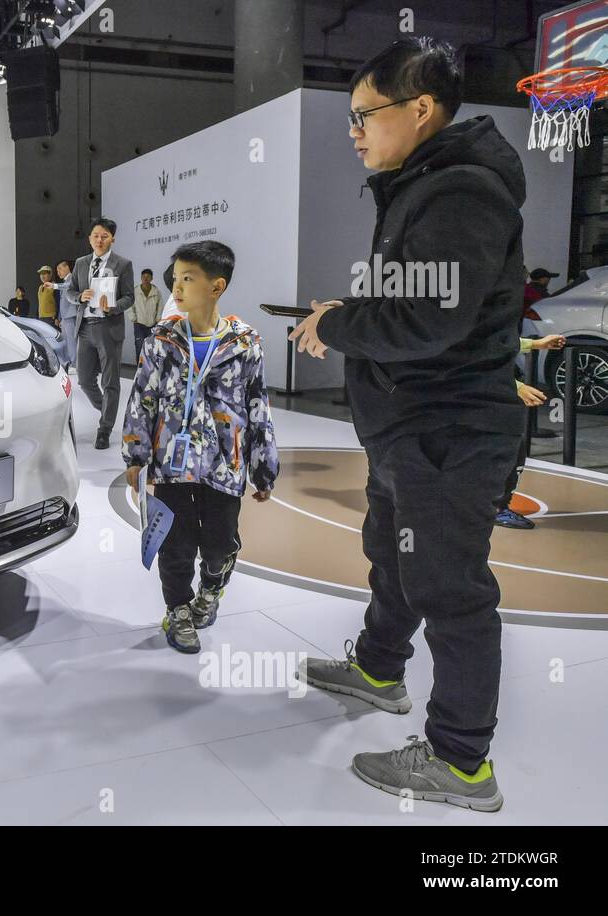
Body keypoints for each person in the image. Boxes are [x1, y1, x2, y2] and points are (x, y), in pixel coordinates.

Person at [289, 37, 525, 812]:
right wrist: (348, 318)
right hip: (409, 431)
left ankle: (462, 764)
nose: (354, 131)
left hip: (447, 435)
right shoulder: (419, 183)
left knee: (450, 589)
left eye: (365, 114)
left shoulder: (461, 190)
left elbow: (430, 318)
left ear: (420, 108)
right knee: (392, 558)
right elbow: (416, 305)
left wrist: (342, 323)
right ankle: (379, 669)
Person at [122, 241, 278, 654]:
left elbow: (258, 404)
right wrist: (136, 452)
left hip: (225, 464)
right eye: (175, 279)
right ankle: (178, 609)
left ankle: (211, 590)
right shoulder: (161, 340)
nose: (177, 288)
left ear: (217, 286)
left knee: (220, 543)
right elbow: (143, 397)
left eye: (187, 279)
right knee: (175, 544)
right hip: (172, 462)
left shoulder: (245, 343)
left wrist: (264, 467)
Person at [65, 217, 135, 449]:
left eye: (104, 236)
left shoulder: (123, 264)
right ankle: (107, 408)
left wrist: (113, 305)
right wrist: (79, 297)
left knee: (110, 381)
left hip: (108, 327)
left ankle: (104, 429)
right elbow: (70, 292)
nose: (99, 240)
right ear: (89, 238)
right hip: (85, 327)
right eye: (96, 235)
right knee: (84, 380)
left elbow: (129, 297)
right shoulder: (81, 263)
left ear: (112, 239)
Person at [495, 333, 565, 529]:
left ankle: (496, 506)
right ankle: (495, 508)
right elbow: (474, 352)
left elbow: (497, 342)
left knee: (514, 450)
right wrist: (515, 386)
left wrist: (536, 344)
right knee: (503, 453)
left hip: (496, 397)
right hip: (483, 399)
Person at [53, 259, 79, 370]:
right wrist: (59, 317)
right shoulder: (64, 282)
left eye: (60, 268)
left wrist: (54, 286)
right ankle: (69, 362)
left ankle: (74, 364)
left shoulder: (72, 279)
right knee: (67, 342)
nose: (58, 272)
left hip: (71, 316)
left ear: (67, 267)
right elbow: (62, 302)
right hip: (65, 317)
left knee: (72, 342)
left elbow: (69, 286)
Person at [132, 267, 162, 362]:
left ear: (151, 278)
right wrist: (133, 318)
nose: (145, 278)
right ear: (141, 278)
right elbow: (130, 305)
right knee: (139, 346)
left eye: (148, 277)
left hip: (152, 325)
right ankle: (139, 369)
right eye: (143, 276)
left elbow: (160, 306)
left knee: (151, 348)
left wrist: (158, 318)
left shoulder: (156, 292)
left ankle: (149, 370)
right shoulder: (135, 291)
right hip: (139, 324)